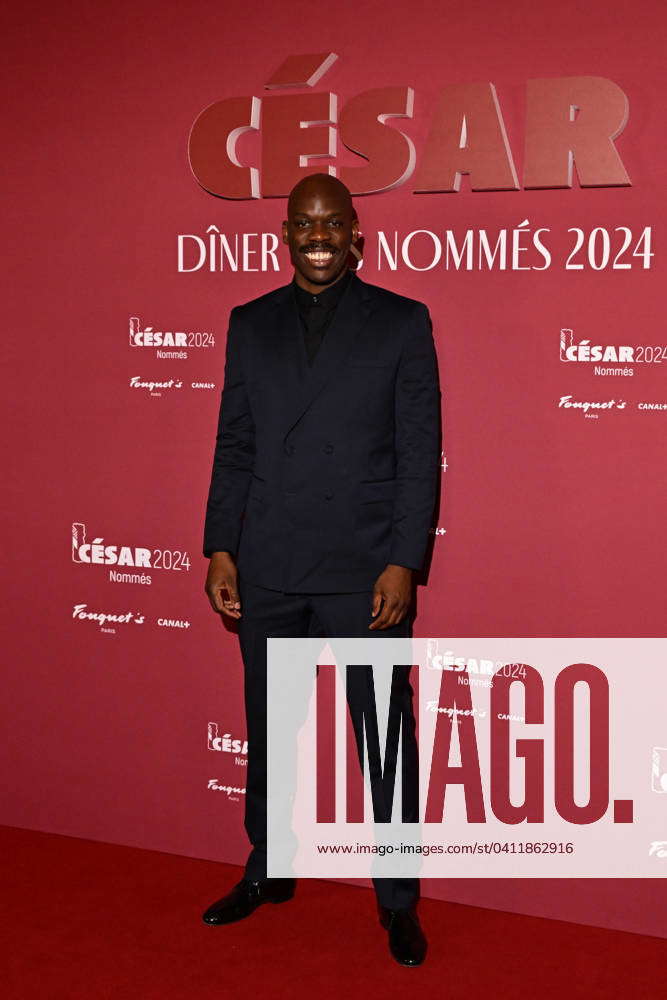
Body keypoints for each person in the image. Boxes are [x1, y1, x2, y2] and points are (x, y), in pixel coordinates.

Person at [201, 173, 441, 966]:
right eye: (303, 222)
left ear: (353, 232)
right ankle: (268, 868)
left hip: (363, 570)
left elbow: (417, 457)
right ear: (284, 234)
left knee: (386, 743)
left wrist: (404, 560)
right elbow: (234, 442)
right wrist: (219, 546)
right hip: (268, 565)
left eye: (331, 223)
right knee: (271, 734)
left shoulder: (402, 322)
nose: (317, 235)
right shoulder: (248, 323)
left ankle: (396, 900)